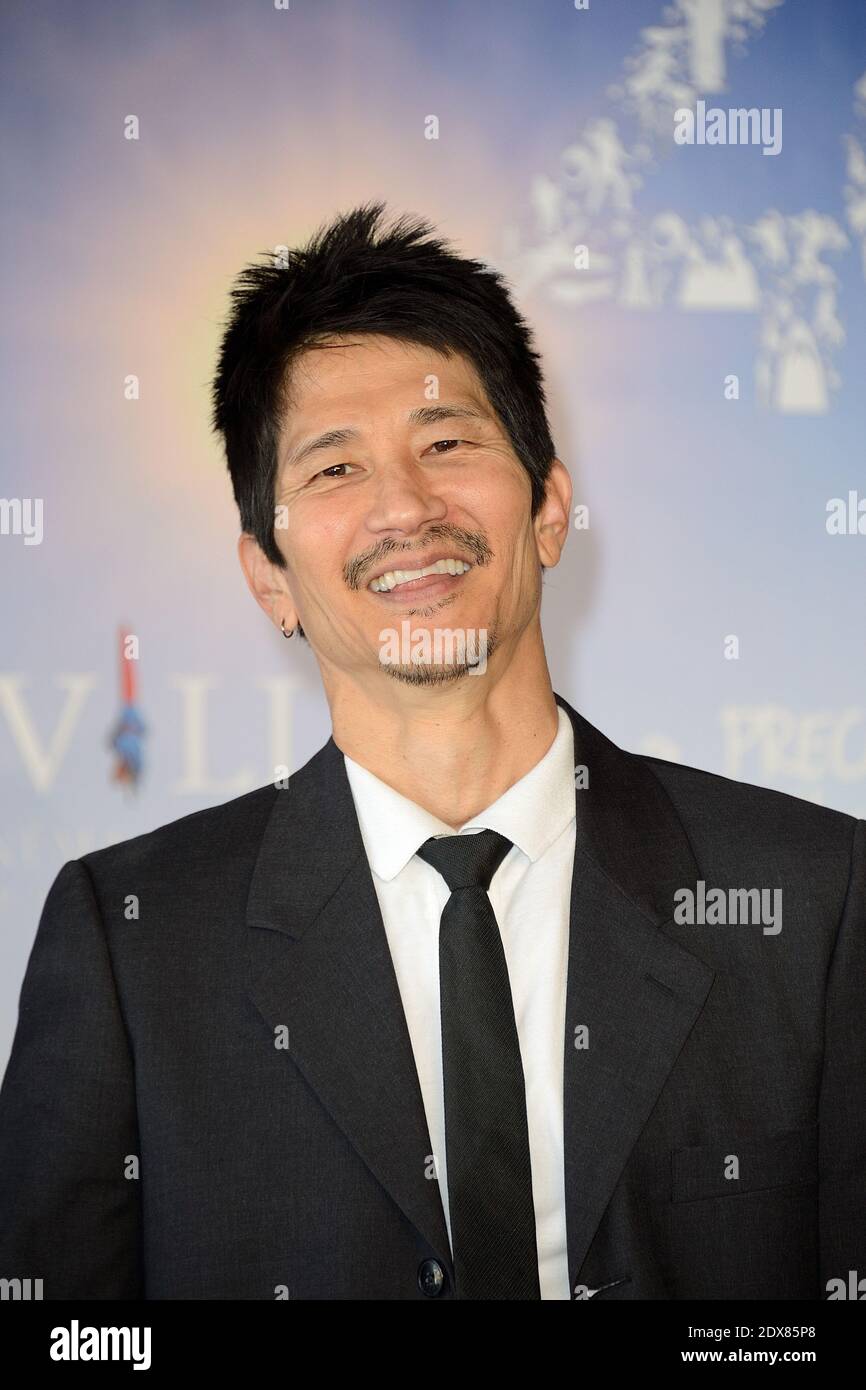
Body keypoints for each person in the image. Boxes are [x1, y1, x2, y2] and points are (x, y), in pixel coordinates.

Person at [0, 203, 863, 1301]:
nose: (405, 509)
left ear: (548, 509)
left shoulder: (809, 897)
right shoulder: (130, 948)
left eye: (445, 442)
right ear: (267, 577)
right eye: (332, 470)